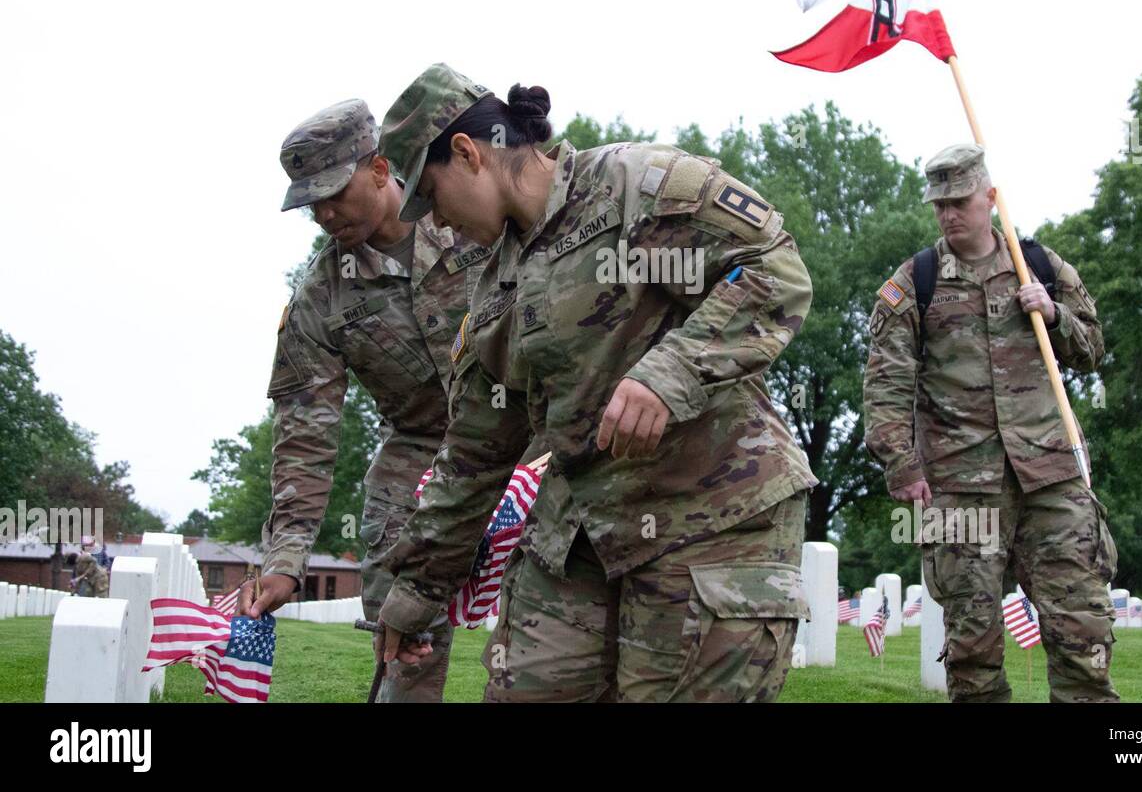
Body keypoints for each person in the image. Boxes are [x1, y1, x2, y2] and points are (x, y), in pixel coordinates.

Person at [375, 62, 817, 702]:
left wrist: (669, 373)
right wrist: (417, 588)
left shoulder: (637, 186)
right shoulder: (494, 290)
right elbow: (475, 454)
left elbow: (773, 268)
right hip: (578, 541)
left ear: (468, 154)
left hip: (710, 524)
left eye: (432, 196)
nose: (436, 224)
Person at [242, 98, 489, 703]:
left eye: (333, 192)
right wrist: (286, 557)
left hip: (535, 435)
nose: (323, 213)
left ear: (380, 168)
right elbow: (305, 435)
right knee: (398, 610)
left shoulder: (470, 212)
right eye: (310, 204)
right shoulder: (320, 299)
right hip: (423, 447)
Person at [863, 143, 1119, 703]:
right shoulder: (916, 283)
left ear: (990, 198)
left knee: (1083, 628)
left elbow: (1093, 347)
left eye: (960, 201)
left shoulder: (1042, 268)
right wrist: (902, 467)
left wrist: (1053, 316)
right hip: (960, 488)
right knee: (972, 646)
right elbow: (885, 384)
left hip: (1052, 475)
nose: (950, 214)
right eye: (939, 205)